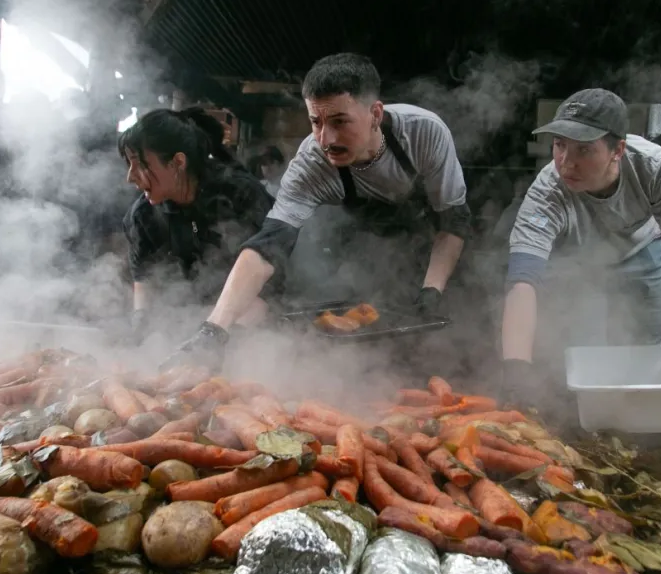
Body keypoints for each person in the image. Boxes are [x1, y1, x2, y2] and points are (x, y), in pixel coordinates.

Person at [161, 52, 473, 370]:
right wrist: (214, 330)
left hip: (434, 250)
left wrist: (431, 293)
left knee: (440, 356)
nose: (326, 139)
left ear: (375, 114)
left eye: (340, 122)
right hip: (373, 253)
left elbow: (454, 220)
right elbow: (267, 246)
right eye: (316, 121)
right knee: (372, 361)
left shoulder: (424, 133)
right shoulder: (310, 164)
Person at [500, 88, 661, 399]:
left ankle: (646, 429)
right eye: (559, 145)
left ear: (618, 150)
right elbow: (523, 281)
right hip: (580, 263)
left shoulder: (655, 168)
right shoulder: (547, 193)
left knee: (649, 356)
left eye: (583, 150)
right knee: (584, 353)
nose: (566, 163)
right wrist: (516, 368)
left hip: (648, 252)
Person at [119, 106, 276, 343]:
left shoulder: (241, 195)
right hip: (190, 325)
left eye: (139, 164)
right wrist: (140, 333)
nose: (130, 176)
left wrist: (223, 342)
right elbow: (145, 284)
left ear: (177, 162)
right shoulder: (143, 216)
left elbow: (271, 287)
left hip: (257, 326)